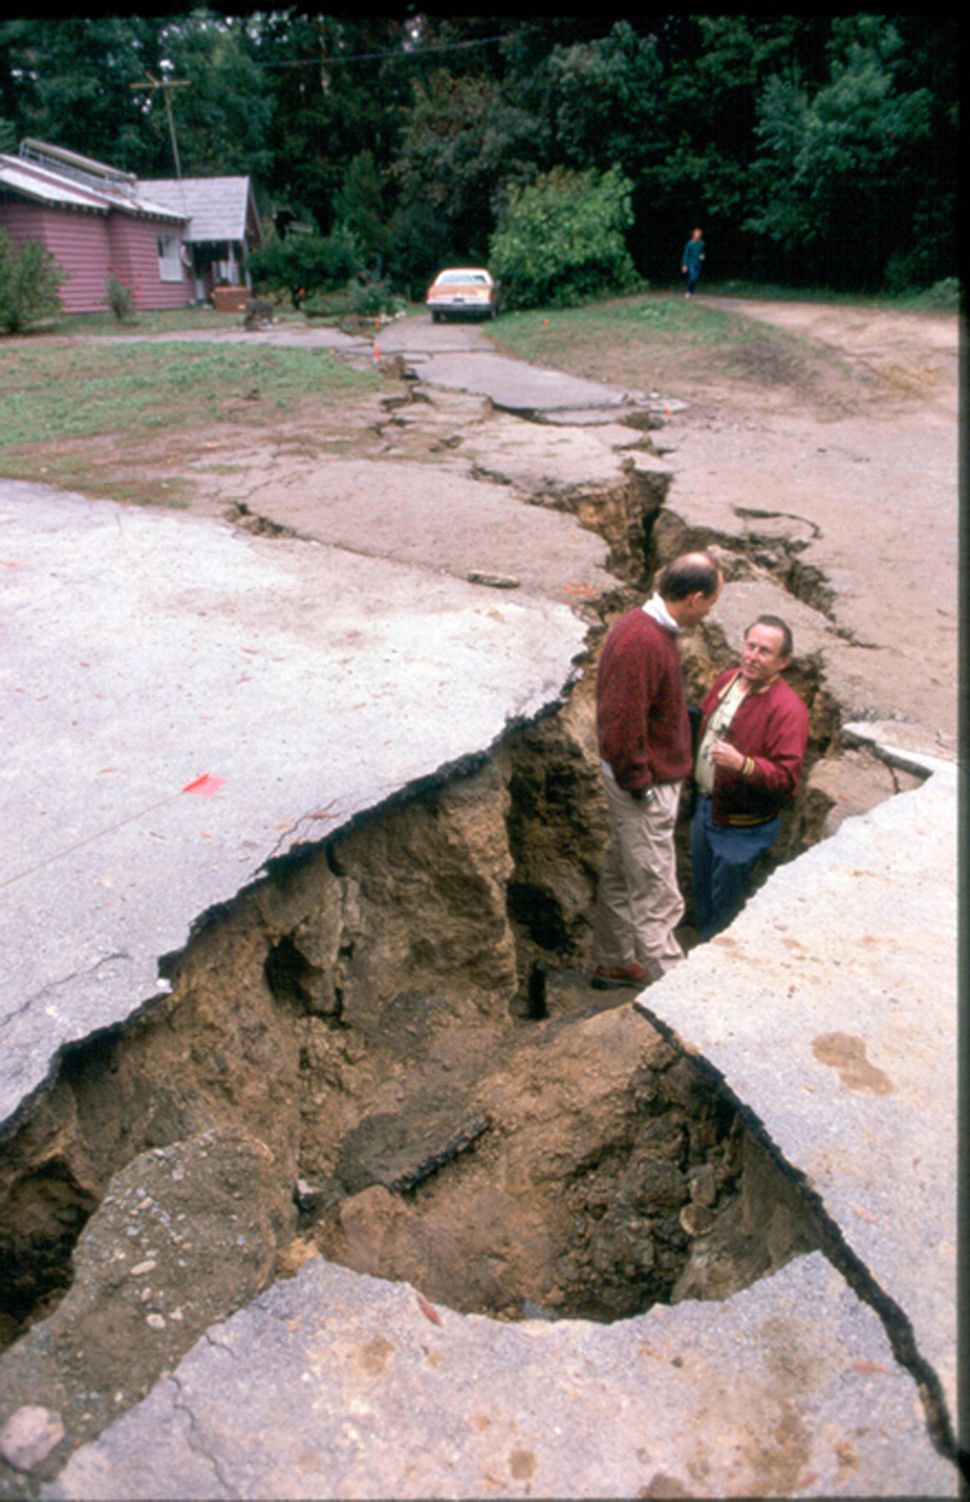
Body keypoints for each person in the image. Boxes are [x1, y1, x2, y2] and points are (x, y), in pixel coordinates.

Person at [591, 552, 723, 990]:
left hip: (638, 785)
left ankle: (614, 961)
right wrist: (641, 786)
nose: (708, 613)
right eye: (710, 603)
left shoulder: (643, 629)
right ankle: (679, 1000)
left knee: (621, 873)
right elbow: (620, 724)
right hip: (642, 790)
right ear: (694, 597)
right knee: (657, 897)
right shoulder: (642, 642)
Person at [691, 614, 809, 941]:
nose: (753, 656)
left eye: (765, 651)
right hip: (705, 808)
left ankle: (717, 966)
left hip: (742, 828)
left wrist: (742, 764)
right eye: (750, 646)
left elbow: (787, 777)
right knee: (701, 890)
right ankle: (700, 950)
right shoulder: (727, 680)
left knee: (727, 905)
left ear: (783, 661)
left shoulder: (789, 709)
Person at [681, 228, 705, 298]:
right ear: (693, 235)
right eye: (696, 234)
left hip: (698, 263)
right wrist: (684, 265)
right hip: (691, 263)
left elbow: (702, 252)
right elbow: (686, 254)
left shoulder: (701, 243)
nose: (697, 235)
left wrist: (702, 256)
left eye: (699, 234)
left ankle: (692, 292)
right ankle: (688, 291)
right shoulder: (689, 244)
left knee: (696, 278)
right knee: (693, 277)